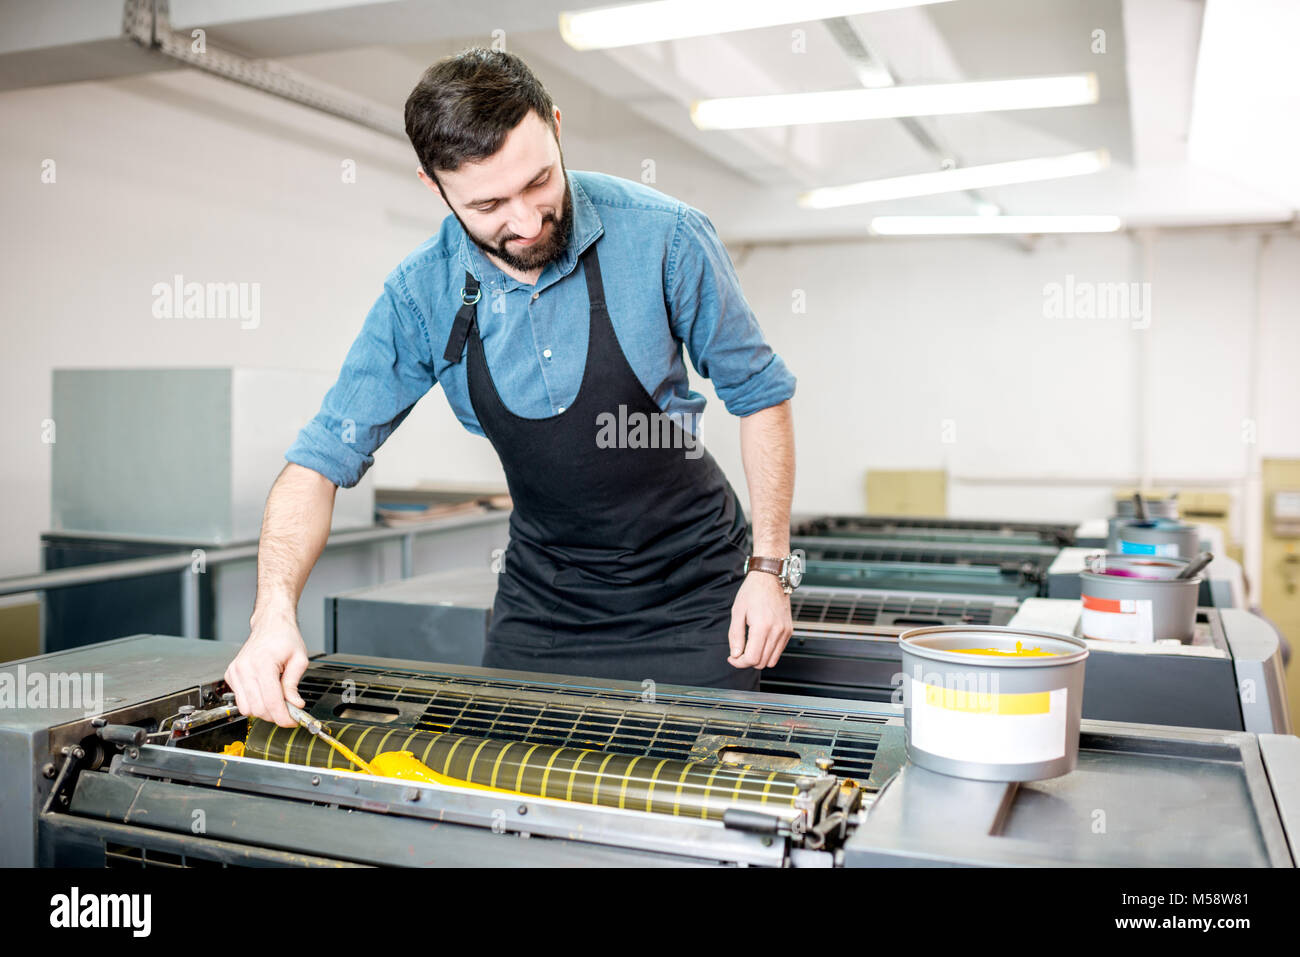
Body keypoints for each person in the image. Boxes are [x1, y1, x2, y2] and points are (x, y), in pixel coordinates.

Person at [225, 48, 801, 728]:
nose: (527, 222)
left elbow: (760, 394)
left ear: (556, 127)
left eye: (538, 183)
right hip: (545, 608)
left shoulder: (665, 237)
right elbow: (317, 465)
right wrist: (271, 615)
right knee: (518, 799)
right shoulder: (421, 295)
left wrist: (768, 570)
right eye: (491, 204)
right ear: (433, 187)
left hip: (695, 597)